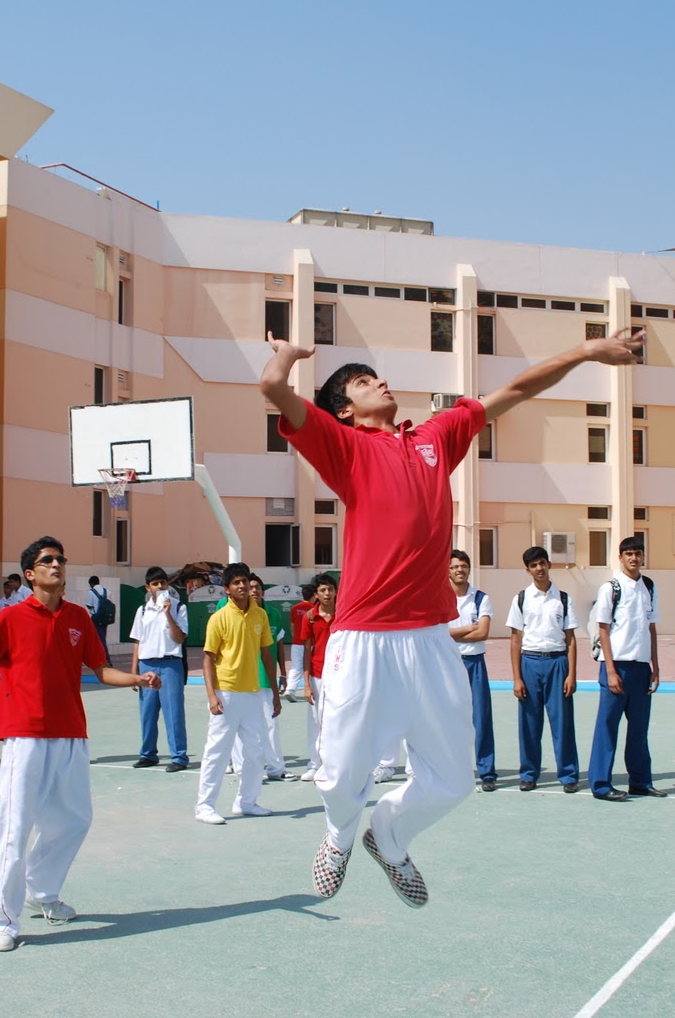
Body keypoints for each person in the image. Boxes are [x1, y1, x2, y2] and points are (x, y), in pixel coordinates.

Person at [261, 320, 643, 907]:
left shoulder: (436, 436)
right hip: (363, 635)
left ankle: (387, 836)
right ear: (345, 409)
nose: (381, 382)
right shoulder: (343, 447)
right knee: (338, 777)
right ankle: (338, 834)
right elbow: (272, 389)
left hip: (429, 639)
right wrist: (286, 357)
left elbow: (516, 390)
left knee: (454, 780)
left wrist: (590, 350)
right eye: (365, 381)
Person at [0, 536, 158, 952]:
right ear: (30, 573)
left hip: (72, 734)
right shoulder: (9, 618)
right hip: (24, 737)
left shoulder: (79, 617)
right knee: (14, 828)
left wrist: (138, 678)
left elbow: (100, 669)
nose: (57, 565)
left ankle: (42, 890)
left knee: (75, 819)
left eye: (61, 559)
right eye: (47, 560)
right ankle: (2, 919)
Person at [197, 562, 279, 824]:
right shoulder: (219, 618)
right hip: (226, 692)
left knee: (256, 751)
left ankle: (246, 802)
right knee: (218, 751)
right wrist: (212, 695)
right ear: (227, 589)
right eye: (236, 583)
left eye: (245, 581)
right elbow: (208, 658)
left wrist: (275, 692)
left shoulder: (260, 615)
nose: (242, 586)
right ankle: (204, 806)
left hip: (254, 693)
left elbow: (267, 653)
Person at [591, 535, 662, 801]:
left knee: (639, 729)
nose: (634, 558)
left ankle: (641, 781)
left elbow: (651, 628)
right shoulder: (611, 588)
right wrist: (610, 670)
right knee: (607, 727)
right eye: (629, 553)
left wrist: (655, 665)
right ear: (620, 557)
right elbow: (603, 629)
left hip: (641, 667)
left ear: (643, 556)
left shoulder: (650, 587)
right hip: (617, 666)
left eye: (638, 553)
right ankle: (600, 784)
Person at [507, 545, 580, 794]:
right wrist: (517, 677)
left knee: (562, 723)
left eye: (542, 563)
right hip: (530, 662)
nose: (539, 568)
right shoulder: (521, 599)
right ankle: (529, 773)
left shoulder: (563, 598)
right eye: (534, 565)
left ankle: (568, 773)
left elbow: (570, 638)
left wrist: (571, 673)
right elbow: (515, 640)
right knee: (529, 723)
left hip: (557, 663)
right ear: (527, 570)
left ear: (549, 564)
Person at [222, 576, 289, 780]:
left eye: (257, 587)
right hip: (241, 680)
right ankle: (243, 769)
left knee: (270, 724)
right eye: (249, 587)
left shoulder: (272, 615)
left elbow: (276, 647)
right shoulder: (231, 613)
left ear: (262, 591)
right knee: (241, 727)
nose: (253, 591)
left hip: (265, 680)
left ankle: (276, 768)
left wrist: (283, 672)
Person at [128, 566, 189, 772]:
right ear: (148, 587)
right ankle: (148, 754)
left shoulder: (179, 607)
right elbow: (138, 641)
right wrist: (134, 673)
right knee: (147, 712)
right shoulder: (142, 610)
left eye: (163, 582)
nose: (160, 586)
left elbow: (179, 638)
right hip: (147, 664)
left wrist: (168, 613)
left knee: (173, 712)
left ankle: (179, 757)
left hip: (171, 663)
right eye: (155, 583)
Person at [449, 551, 496, 792]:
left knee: (481, 718)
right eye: (455, 566)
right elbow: (438, 634)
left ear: (469, 569)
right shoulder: (440, 599)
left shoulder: (481, 598)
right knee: (448, 720)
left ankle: (487, 772)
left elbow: (483, 633)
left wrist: (453, 634)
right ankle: (453, 771)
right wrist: (469, 628)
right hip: (448, 665)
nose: (460, 570)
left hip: (475, 662)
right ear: (448, 570)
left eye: (464, 566)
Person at [301, 574, 338, 782]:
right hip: (317, 674)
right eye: (323, 590)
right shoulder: (309, 617)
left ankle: (335, 764)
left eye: (330, 589)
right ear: (316, 594)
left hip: (341, 675)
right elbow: (306, 651)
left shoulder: (344, 615)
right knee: (316, 721)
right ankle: (315, 764)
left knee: (339, 720)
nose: (327, 594)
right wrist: (306, 684)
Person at [287, 583, 316, 704]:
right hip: (310, 643)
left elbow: (292, 627)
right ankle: (313, 689)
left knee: (296, 666)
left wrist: (296, 639)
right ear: (314, 595)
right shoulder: (314, 610)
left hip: (296, 643)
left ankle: (290, 689)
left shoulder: (294, 608)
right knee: (311, 666)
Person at [86, 575, 113, 651]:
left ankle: (106, 659)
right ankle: (101, 657)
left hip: (96, 617)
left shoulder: (91, 592)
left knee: (98, 639)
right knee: (102, 636)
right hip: (105, 617)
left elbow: (89, 605)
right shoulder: (107, 591)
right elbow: (110, 604)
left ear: (91, 584)